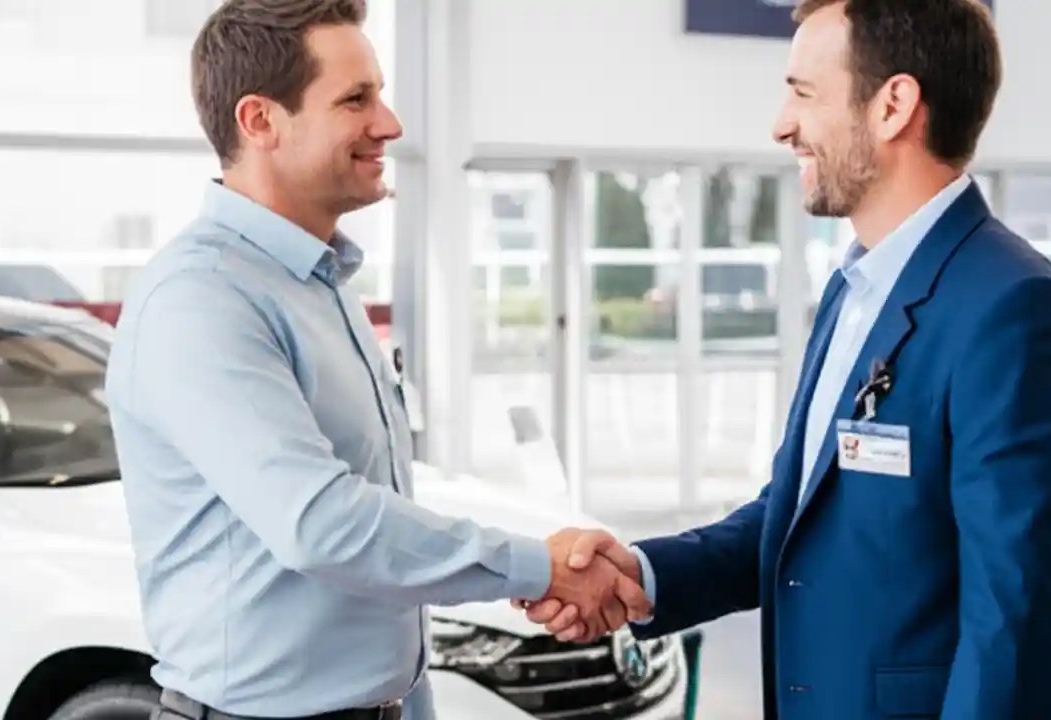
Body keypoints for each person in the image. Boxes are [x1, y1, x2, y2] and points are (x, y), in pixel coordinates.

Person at [523, 1, 1051, 718]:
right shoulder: (854, 291)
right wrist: (641, 573)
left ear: (894, 105)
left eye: (802, 93)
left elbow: (1016, 628)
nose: (781, 124)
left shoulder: (1016, 312)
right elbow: (797, 515)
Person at [104, 2, 648, 719]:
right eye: (355, 99)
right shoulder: (201, 299)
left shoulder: (319, 283)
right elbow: (323, 524)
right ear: (260, 121)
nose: (389, 124)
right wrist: (539, 565)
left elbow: (373, 520)